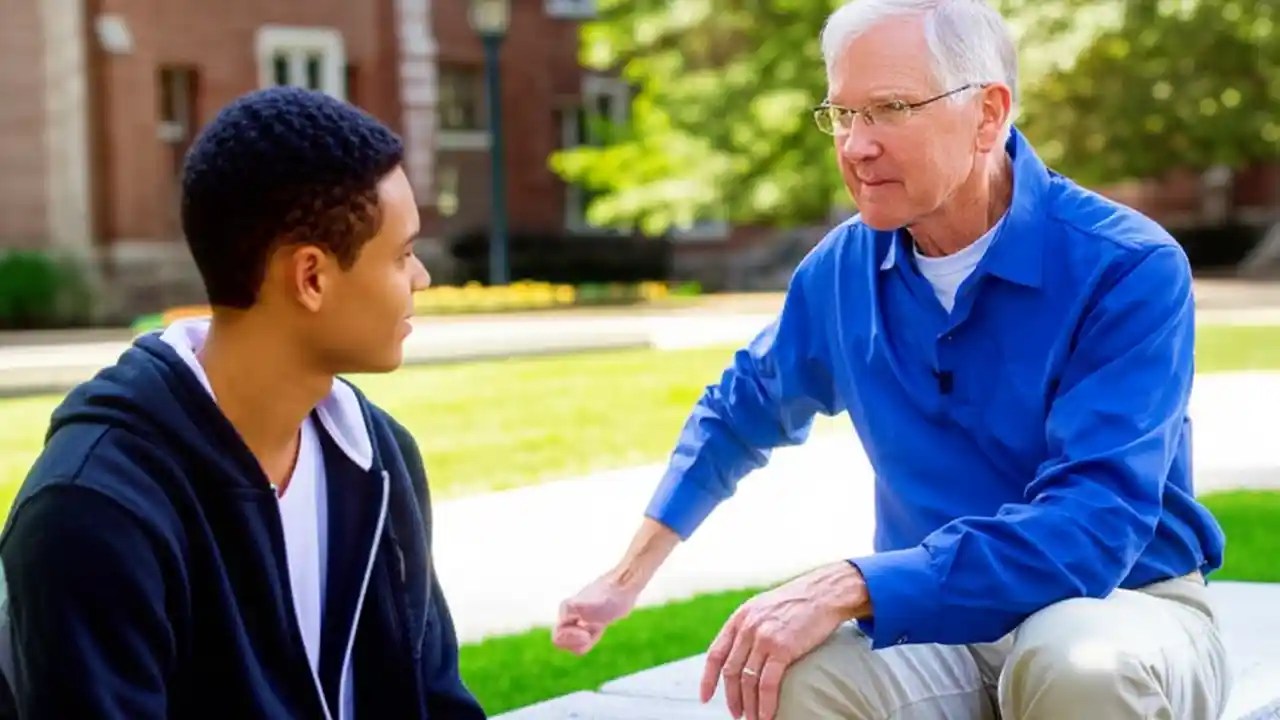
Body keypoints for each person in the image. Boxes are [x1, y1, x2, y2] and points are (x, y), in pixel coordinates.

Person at [553, 1, 1232, 718]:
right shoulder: (839, 272)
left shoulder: (1128, 266)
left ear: (988, 115)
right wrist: (625, 578)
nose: (856, 146)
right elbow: (738, 412)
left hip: (1124, 603)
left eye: (890, 108)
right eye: (843, 115)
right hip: (945, 627)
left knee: (1074, 665)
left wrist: (856, 584)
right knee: (790, 674)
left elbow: (1094, 527)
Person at [0, 86, 486, 720]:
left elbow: (437, 703)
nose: (421, 278)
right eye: (402, 255)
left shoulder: (381, 458)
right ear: (310, 277)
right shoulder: (91, 509)